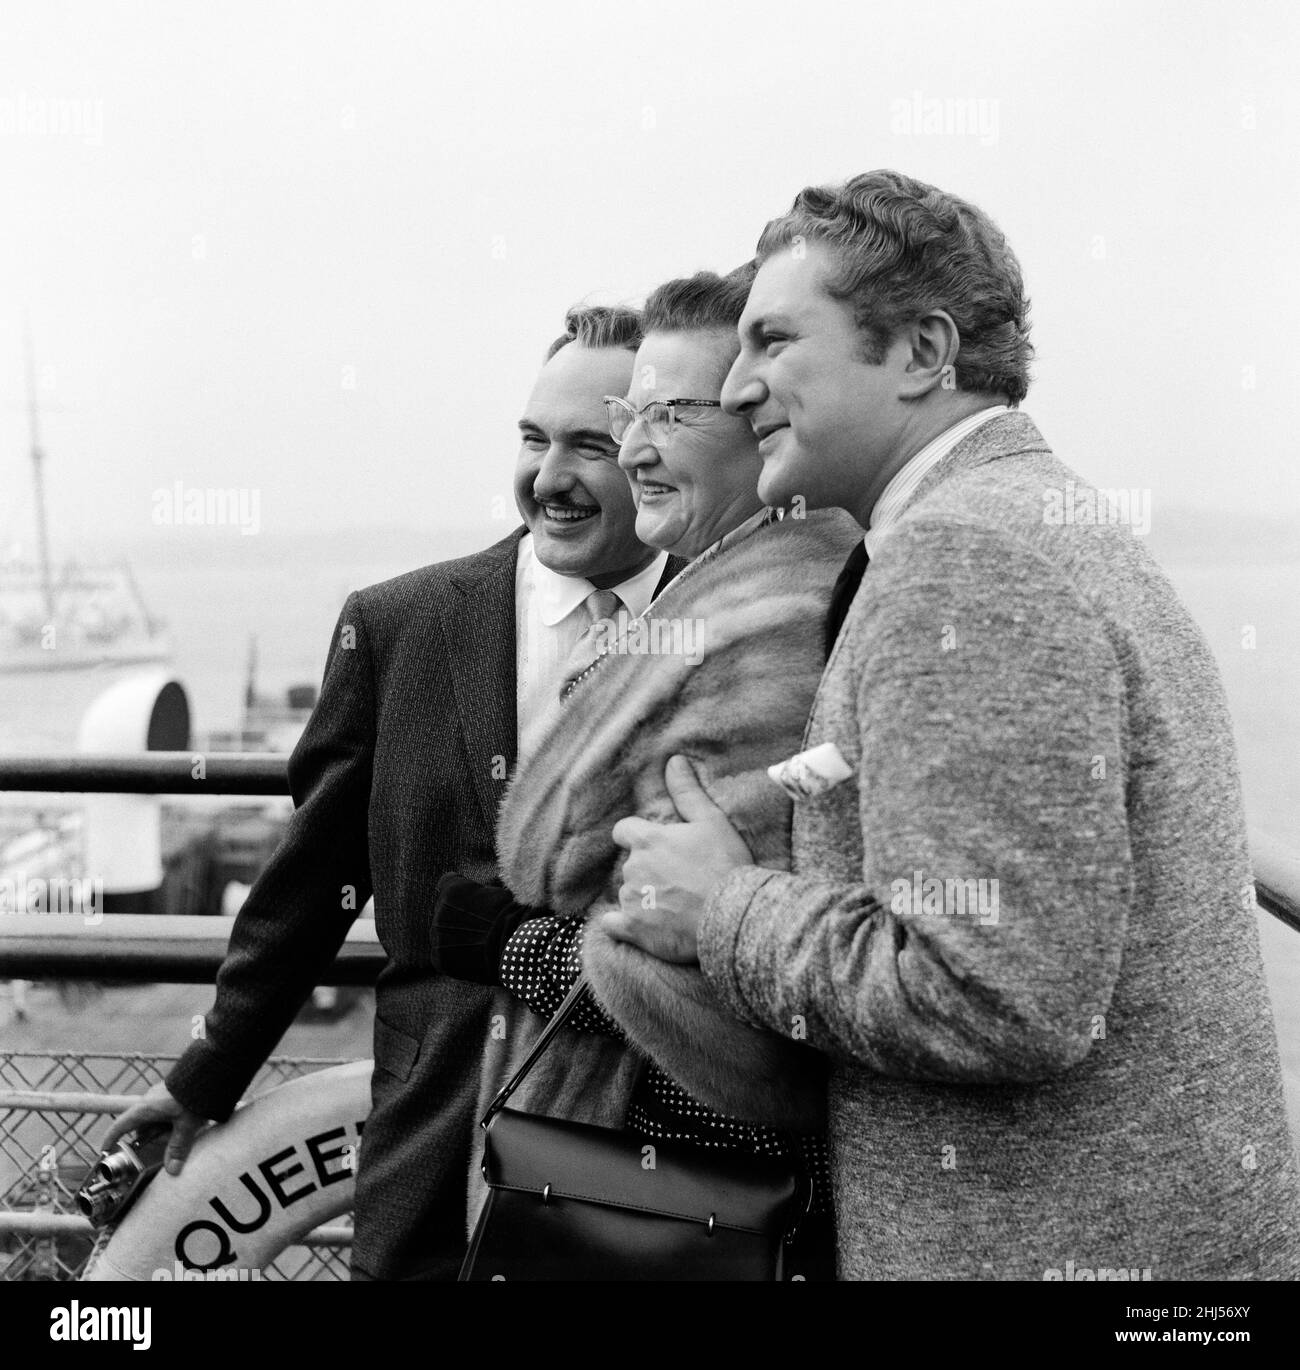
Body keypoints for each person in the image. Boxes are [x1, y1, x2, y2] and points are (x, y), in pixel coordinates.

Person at [607, 171, 1300, 1279]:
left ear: (923, 351)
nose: (737, 389)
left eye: (774, 340)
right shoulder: (1023, 519)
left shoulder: (962, 561)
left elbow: (994, 998)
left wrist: (721, 907)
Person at [101, 304, 682, 1281]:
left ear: (661, 459)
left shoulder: (728, 626)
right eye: (534, 439)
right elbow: (310, 879)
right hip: (433, 1129)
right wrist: (208, 1071)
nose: (548, 478)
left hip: (648, 1129)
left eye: (593, 444)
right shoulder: (397, 626)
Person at [433, 268, 860, 1279]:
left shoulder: (771, 633)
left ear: (760, 420)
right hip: (637, 1161)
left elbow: (737, 991)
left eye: (673, 412)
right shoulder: (715, 595)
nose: (634, 448)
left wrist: (515, 942)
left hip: (691, 1184)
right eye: (633, 411)